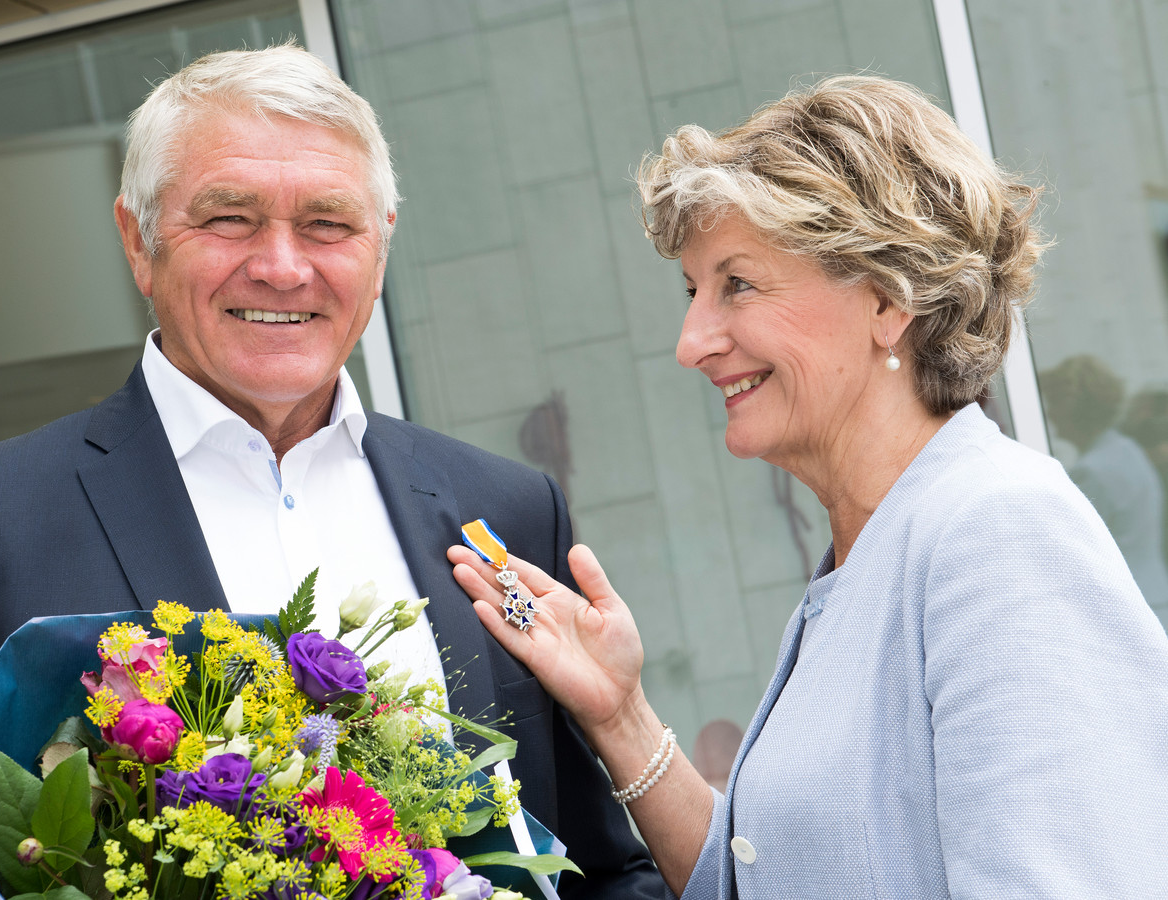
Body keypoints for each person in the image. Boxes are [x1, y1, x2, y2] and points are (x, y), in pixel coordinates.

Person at [0, 45, 662, 900]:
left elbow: (599, 872)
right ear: (138, 241)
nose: (283, 267)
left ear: (380, 250)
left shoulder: (505, 508)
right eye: (229, 218)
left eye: (328, 224)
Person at [449, 75, 1168, 899]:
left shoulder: (997, 532)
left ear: (888, 299)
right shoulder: (868, 556)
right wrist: (620, 716)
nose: (691, 341)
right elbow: (763, 881)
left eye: (738, 284)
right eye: (693, 291)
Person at [1041, 354, 1168, 612]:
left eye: (1054, 403)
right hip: (1155, 594)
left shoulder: (1091, 471)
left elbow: (1072, 552)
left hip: (1128, 604)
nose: (1049, 413)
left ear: (1073, 408)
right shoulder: (1127, 449)